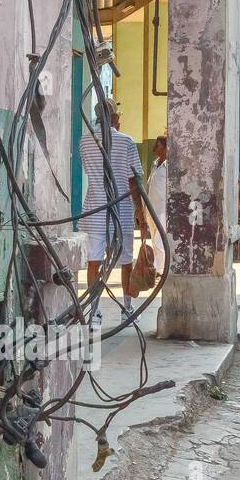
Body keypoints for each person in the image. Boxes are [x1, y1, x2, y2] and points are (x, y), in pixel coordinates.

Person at [79, 98, 147, 325]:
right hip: (122, 210)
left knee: (94, 260)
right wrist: (141, 211)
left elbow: (88, 171)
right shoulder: (126, 141)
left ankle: (94, 312)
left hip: (94, 209)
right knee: (125, 259)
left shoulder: (84, 141)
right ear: (115, 118)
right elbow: (134, 181)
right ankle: (127, 309)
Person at [146, 135, 168, 275]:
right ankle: (158, 267)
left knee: (160, 239)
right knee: (154, 238)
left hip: (163, 208)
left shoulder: (169, 166)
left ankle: (159, 269)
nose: (155, 148)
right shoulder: (155, 164)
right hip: (150, 207)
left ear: (165, 147)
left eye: (158, 145)